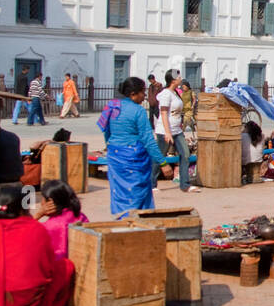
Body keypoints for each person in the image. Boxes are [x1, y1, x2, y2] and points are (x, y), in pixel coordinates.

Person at [100, 76, 164, 216]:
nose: (144, 95)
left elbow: (106, 132)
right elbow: (148, 140)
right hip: (134, 158)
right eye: (142, 92)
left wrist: (112, 147)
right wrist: (163, 162)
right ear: (133, 94)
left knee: (119, 192)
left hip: (115, 157)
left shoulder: (112, 107)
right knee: (137, 193)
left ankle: (121, 221)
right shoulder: (139, 111)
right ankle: (137, 224)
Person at [157, 70, 197, 193]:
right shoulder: (165, 94)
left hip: (177, 130)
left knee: (185, 154)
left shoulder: (175, 93)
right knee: (159, 156)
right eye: (178, 77)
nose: (181, 78)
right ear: (173, 80)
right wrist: (167, 132)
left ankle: (185, 184)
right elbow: (163, 113)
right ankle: (152, 183)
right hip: (165, 131)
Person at [35, 178, 88, 262]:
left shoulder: (48, 226)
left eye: (42, 199)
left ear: (50, 202)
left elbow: (23, 235)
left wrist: (37, 215)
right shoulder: (81, 216)